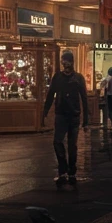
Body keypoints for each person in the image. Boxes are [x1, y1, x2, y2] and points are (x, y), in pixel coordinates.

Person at [42, 49, 89, 184]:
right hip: (61, 114)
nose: (65, 64)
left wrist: (85, 121)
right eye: (63, 61)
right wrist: (45, 110)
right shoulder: (57, 77)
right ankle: (63, 169)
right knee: (57, 141)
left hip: (74, 115)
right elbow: (51, 94)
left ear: (72, 62)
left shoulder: (78, 78)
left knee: (72, 144)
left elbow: (84, 98)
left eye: (67, 61)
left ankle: (71, 170)